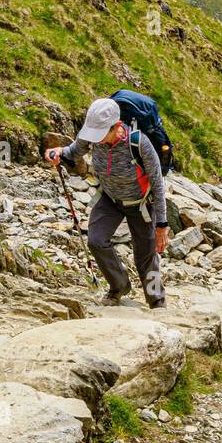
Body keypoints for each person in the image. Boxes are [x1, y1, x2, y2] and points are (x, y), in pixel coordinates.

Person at [45, 96, 169, 308]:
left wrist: (162, 225)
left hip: (141, 205)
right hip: (109, 199)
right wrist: (58, 152)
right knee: (96, 240)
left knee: (145, 257)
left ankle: (156, 301)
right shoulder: (93, 138)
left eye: (102, 135)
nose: (97, 139)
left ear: (117, 127)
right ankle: (119, 286)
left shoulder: (139, 144)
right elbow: (74, 151)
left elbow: (157, 184)